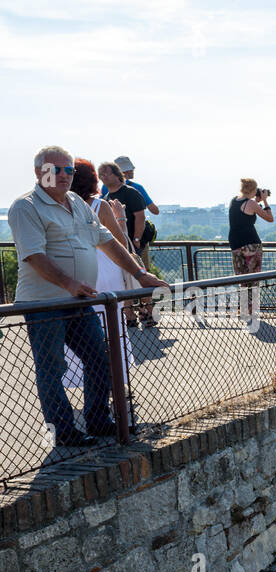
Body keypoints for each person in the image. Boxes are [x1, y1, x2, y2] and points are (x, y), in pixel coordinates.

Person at [10, 146, 166, 447]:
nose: (64, 175)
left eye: (69, 170)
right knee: (52, 368)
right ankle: (64, 432)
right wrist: (69, 284)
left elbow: (107, 242)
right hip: (45, 303)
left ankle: (98, 420)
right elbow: (33, 256)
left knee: (100, 359)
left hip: (81, 299)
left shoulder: (76, 204)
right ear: (38, 172)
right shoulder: (25, 207)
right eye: (56, 169)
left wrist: (140, 274)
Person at [66, 160, 139, 386]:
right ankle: (116, 379)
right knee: (112, 326)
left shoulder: (62, 206)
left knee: (81, 327)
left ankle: (87, 379)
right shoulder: (100, 206)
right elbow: (119, 243)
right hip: (106, 269)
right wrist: (121, 219)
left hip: (78, 269)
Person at [113, 156, 159, 271]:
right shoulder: (136, 188)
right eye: (131, 169)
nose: (133, 171)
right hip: (136, 238)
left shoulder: (105, 188)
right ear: (125, 171)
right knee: (143, 270)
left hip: (116, 238)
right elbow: (155, 210)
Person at [228, 177, 273, 275]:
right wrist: (265, 200)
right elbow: (270, 218)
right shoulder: (251, 203)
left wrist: (256, 201)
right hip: (250, 244)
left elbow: (243, 215)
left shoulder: (233, 201)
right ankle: (253, 291)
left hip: (235, 243)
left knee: (241, 279)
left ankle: (244, 291)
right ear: (253, 190)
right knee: (253, 279)